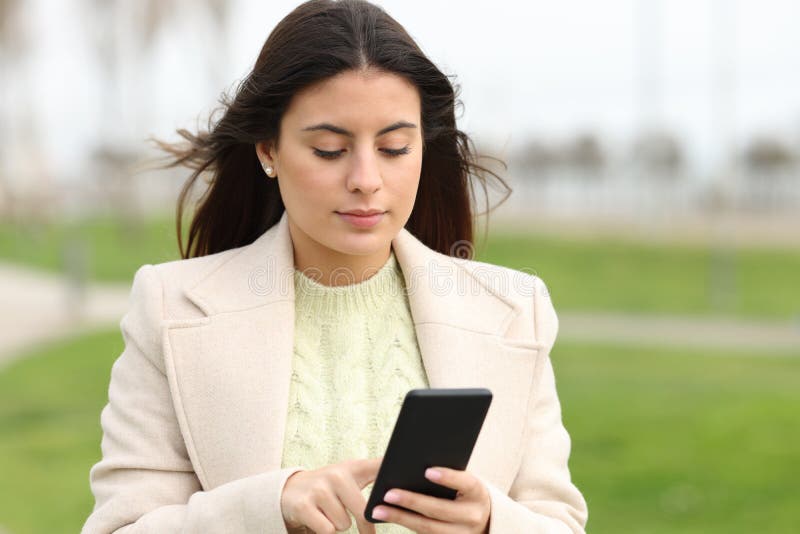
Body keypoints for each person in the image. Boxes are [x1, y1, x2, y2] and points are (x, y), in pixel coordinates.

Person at [82, 0, 588, 532]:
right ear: (268, 149)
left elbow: (560, 522)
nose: (366, 178)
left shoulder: (515, 310)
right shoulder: (168, 308)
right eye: (329, 149)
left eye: (394, 147)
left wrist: (490, 521)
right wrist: (268, 506)